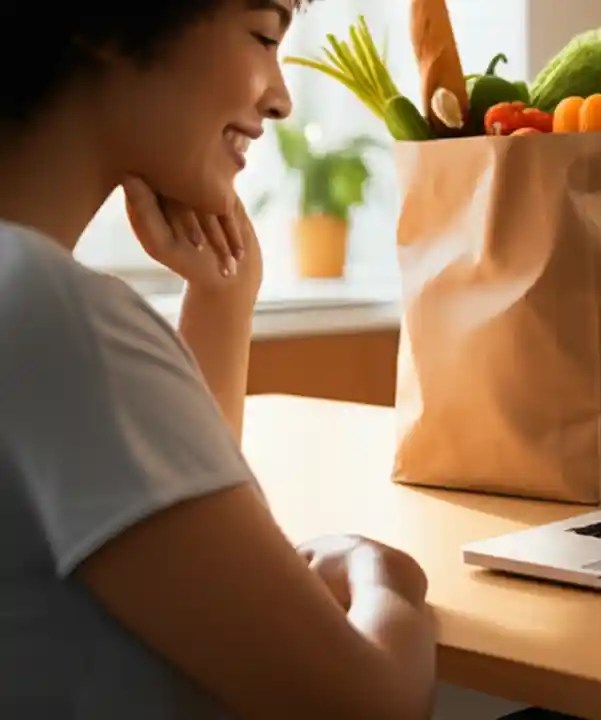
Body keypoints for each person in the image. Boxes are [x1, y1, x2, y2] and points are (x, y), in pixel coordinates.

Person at [0, 2, 438, 718]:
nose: (281, 95)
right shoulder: (55, 315)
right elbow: (370, 706)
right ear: (103, 22)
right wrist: (383, 575)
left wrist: (223, 298)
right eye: (262, 36)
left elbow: (172, 540)